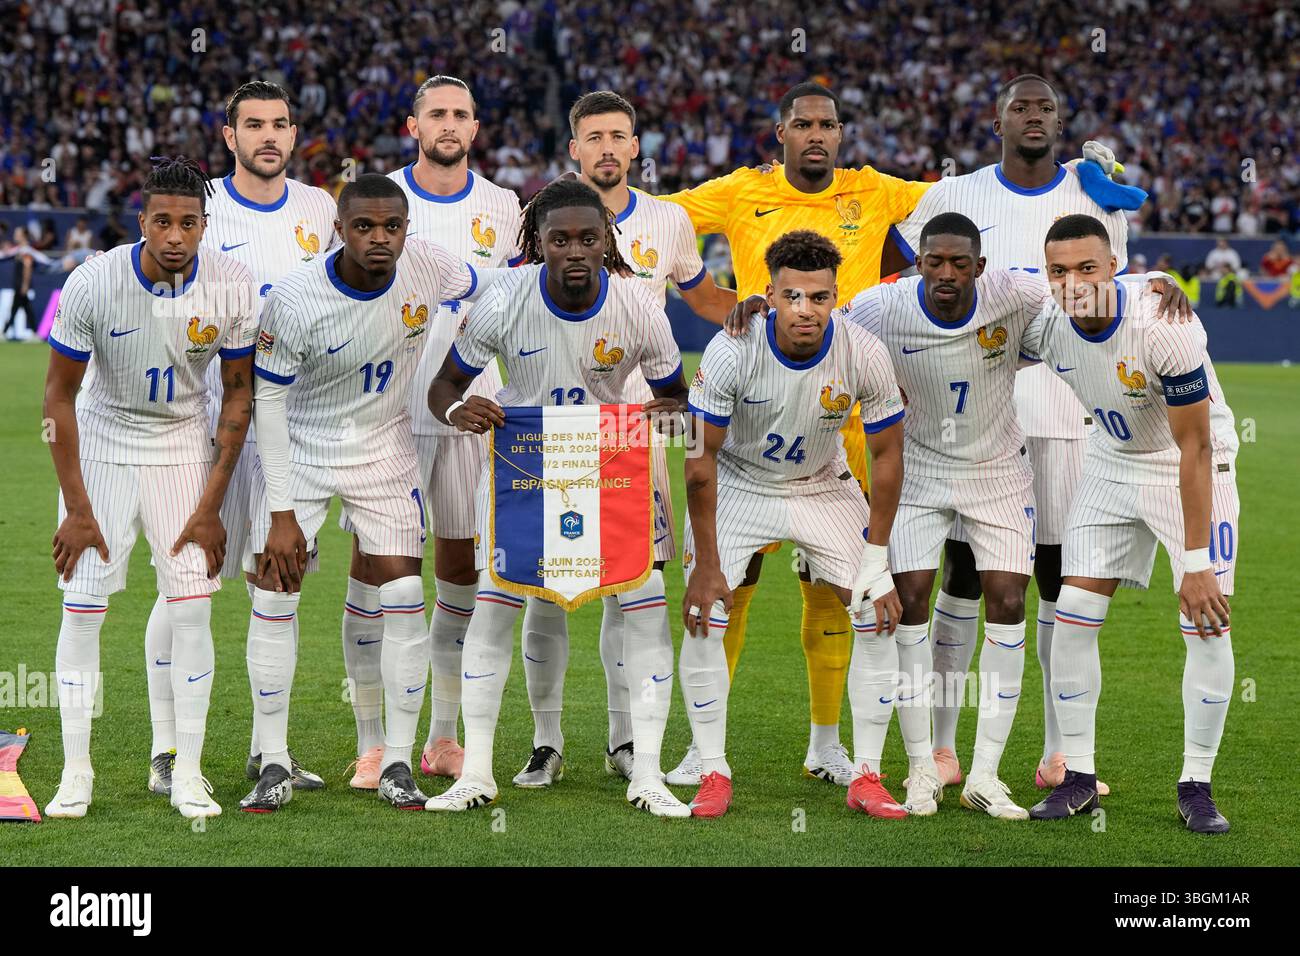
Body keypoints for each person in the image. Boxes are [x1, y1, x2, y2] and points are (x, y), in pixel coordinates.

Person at [889, 75, 1185, 793]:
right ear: (997, 120)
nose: (1032, 116)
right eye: (1020, 106)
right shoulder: (954, 195)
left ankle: (1058, 753)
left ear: (1059, 121)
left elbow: (1107, 279)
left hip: (1069, 409)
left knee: (1059, 582)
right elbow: (899, 274)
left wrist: (1156, 281)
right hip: (977, 417)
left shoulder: (1095, 193)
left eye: (1045, 107)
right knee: (962, 578)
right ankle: (942, 749)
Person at [659, 80, 931, 787]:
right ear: (780, 133)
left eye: (828, 125)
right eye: (803, 124)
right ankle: (702, 748)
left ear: (841, 135)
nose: (817, 134)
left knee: (834, 593)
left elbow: (974, 202)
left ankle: (827, 744)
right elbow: (650, 221)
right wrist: (711, 298)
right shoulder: (739, 191)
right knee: (730, 585)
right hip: (754, 415)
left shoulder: (873, 190)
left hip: (843, 425)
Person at [424, 179, 691, 817]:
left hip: (616, 472)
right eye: (560, 239)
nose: (575, 250)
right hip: (525, 469)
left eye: (588, 238)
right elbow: (443, 386)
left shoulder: (638, 306)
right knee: (495, 613)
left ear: (608, 242)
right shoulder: (504, 301)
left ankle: (646, 771)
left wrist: (668, 414)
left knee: (645, 614)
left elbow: (677, 397)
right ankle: (480, 772)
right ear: (537, 244)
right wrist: (460, 407)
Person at [515, 90, 740, 787]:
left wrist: (762, 307)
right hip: (546, 432)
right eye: (594, 137)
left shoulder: (669, 221)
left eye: (619, 135)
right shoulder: (539, 218)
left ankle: (623, 742)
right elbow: (509, 302)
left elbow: (705, 300)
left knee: (629, 590)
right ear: (574, 150)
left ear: (635, 147)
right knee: (543, 593)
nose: (608, 147)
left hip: (632, 434)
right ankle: (546, 742)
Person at [240, 174, 482, 812]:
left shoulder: (427, 266)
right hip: (305, 447)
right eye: (364, 227)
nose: (380, 238)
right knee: (275, 586)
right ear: (339, 230)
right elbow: (267, 400)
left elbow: (499, 285)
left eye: (392, 227)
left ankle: (398, 761)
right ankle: (271, 760)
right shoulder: (295, 299)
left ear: (408, 230)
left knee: (403, 590)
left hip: (385, 447)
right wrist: (282, 511)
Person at [42, 156, 258, 820]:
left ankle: (186, 773)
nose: (174, 236)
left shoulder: (233, 285)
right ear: (142, 222)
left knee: (192, 610)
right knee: (83, 612)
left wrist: (212, 505)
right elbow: (57, 397)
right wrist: (77, 509)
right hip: (103, 442)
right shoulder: (92, 283)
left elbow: (240, 397)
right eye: (161, 221)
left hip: (179, 450)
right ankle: (77, 771)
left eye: (188, 223)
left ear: (204, 225)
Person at [142, 80, 338, 800]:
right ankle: (166, 752)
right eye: (253, 125)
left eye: (280, 125)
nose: (268, 136)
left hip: (291, 420)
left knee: (275, 580)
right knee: (184, 586)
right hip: (206, 424)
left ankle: (268, 751)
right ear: (228, 136)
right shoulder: (201, 209)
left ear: (294, 134)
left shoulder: (321, 209)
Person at [1023, 215, 1239, 834]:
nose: (1074, 283)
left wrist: (1194, 565)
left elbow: (1193, 448)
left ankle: (1196, 783)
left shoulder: (1163, 325)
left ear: (1114, 266)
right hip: (1110, 466)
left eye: (1088, 268)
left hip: (1193, 466)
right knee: (1071, 617)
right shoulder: (1044, 325)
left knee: (1206, 624)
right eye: (1058, 271)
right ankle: (1080, 777)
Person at [680, 230, 905, 819]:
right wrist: (705, 565)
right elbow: (699, 458)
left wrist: (878, 558)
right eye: (792, 296)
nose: (806, 310)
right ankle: (711, 769)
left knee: (876, 609)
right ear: (770, 295)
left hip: (821, 485)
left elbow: (886, 456)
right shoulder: (732, 349)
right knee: (707, 612)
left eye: (820, 297)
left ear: (836, 295)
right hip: (739, 483)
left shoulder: (864, 351)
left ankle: (868, 775)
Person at [840, 213, 1052, 820]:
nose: (947, 273)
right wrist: (757, 313)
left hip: (997, 470)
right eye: (935, 261)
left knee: (1010, 599)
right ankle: (920, 772)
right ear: (919, 263)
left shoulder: (1012, 291)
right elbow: (824, 327)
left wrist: (1155, 280)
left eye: (960, 263)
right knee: (907, 603)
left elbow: (1079, 281)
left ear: (980, 268)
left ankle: (985, 773)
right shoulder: (883, 307)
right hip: (920, 472)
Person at [382, 76, 524, 785]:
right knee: (384, 567)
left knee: (461, 562)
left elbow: (523, 295)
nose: (448, 123)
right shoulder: (382, 199)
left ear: (476, 126)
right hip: (387, 403)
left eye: (461, 114)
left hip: (474, 401)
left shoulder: (504, 206)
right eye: (435, 113)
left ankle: (442, 737)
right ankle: (376, 743)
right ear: (413, 125)